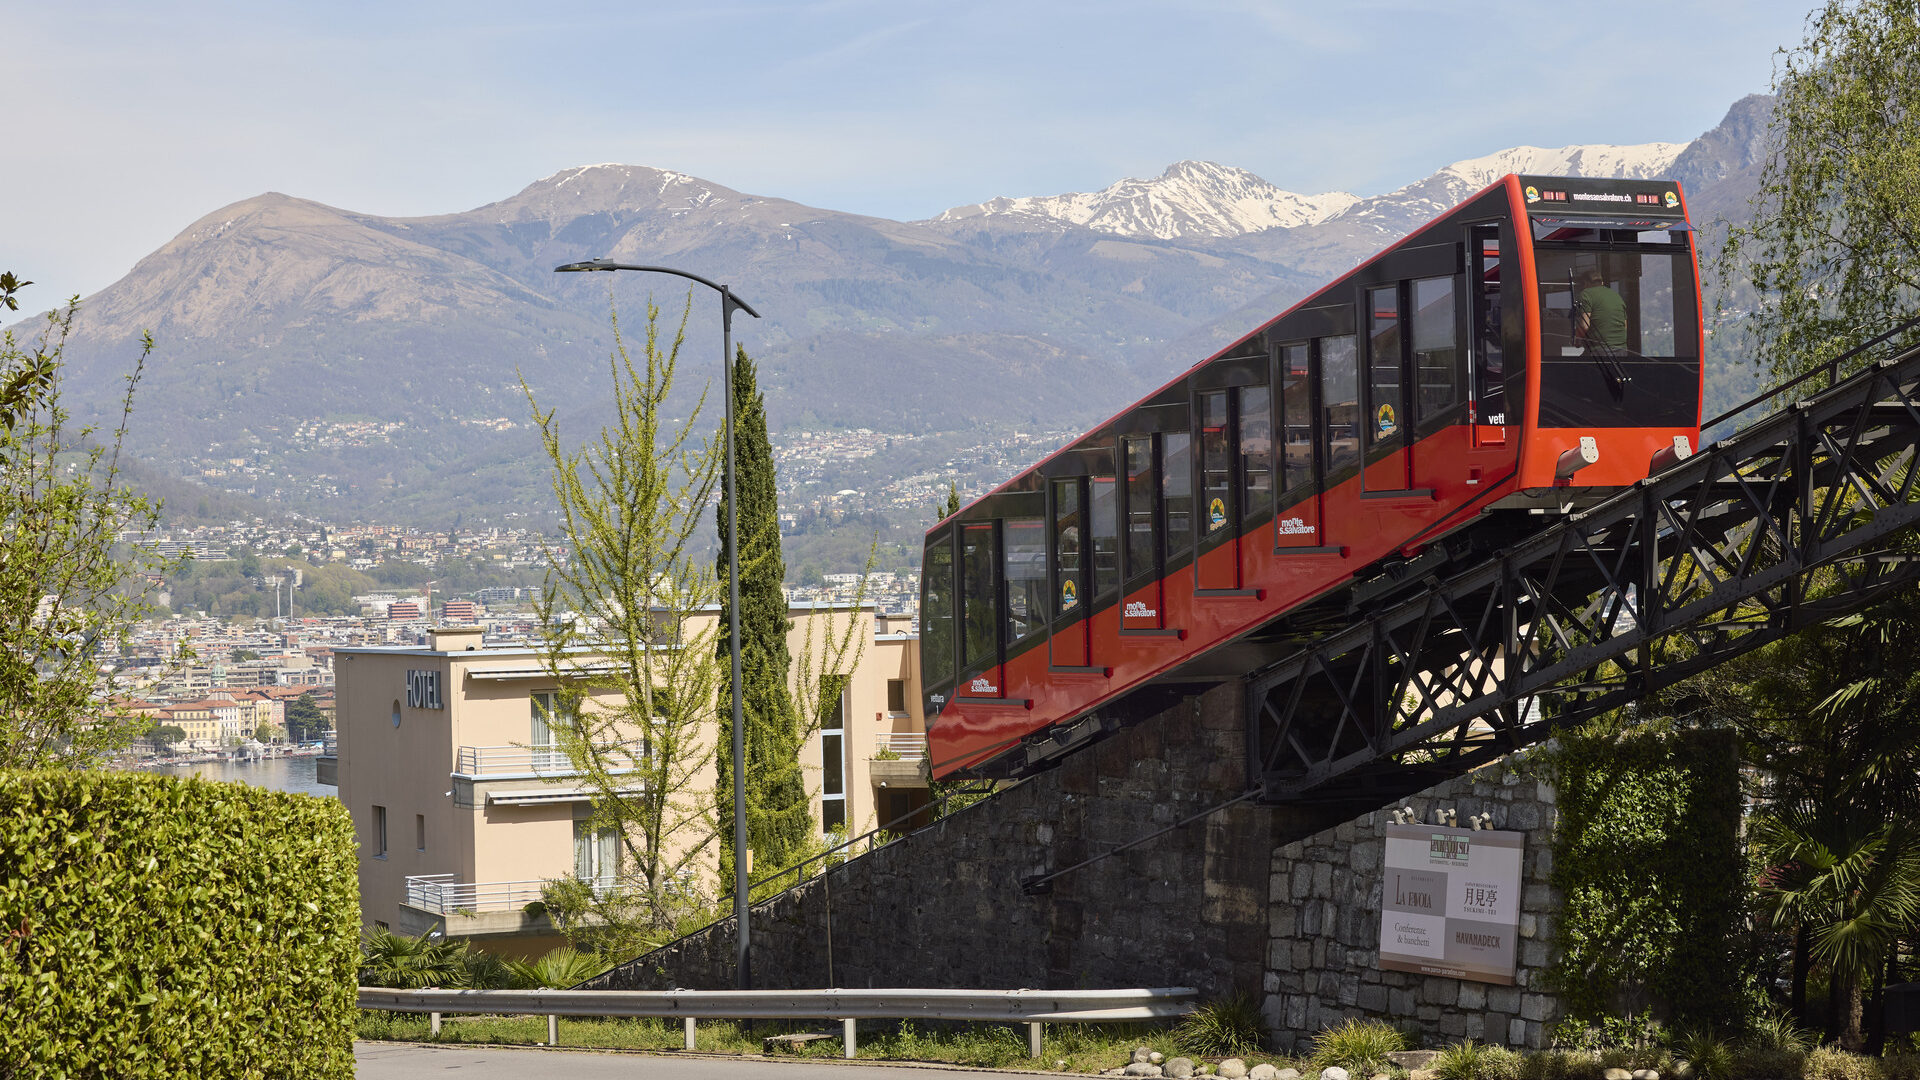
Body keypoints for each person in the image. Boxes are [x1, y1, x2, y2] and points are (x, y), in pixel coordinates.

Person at [1573, 266, 1628, 354]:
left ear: (1585, 283)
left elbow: (1584, 325)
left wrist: (1576, 340)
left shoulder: (1586, 294)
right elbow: (1624, 325)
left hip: (1601, 350)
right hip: (1622, 350)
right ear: (1602, 282)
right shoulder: (1615, 295)